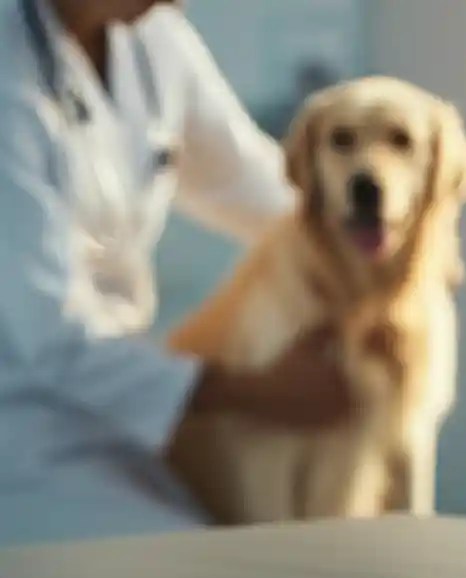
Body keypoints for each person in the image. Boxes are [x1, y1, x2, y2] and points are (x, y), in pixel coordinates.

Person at [0, 0, 352, 545]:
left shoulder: (154, 37)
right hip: (21, 424)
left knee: (256, 543)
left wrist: (384, 250)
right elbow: (52, 340)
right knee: (202, 569)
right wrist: (260, 391)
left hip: (115, 410)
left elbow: (261, 190)